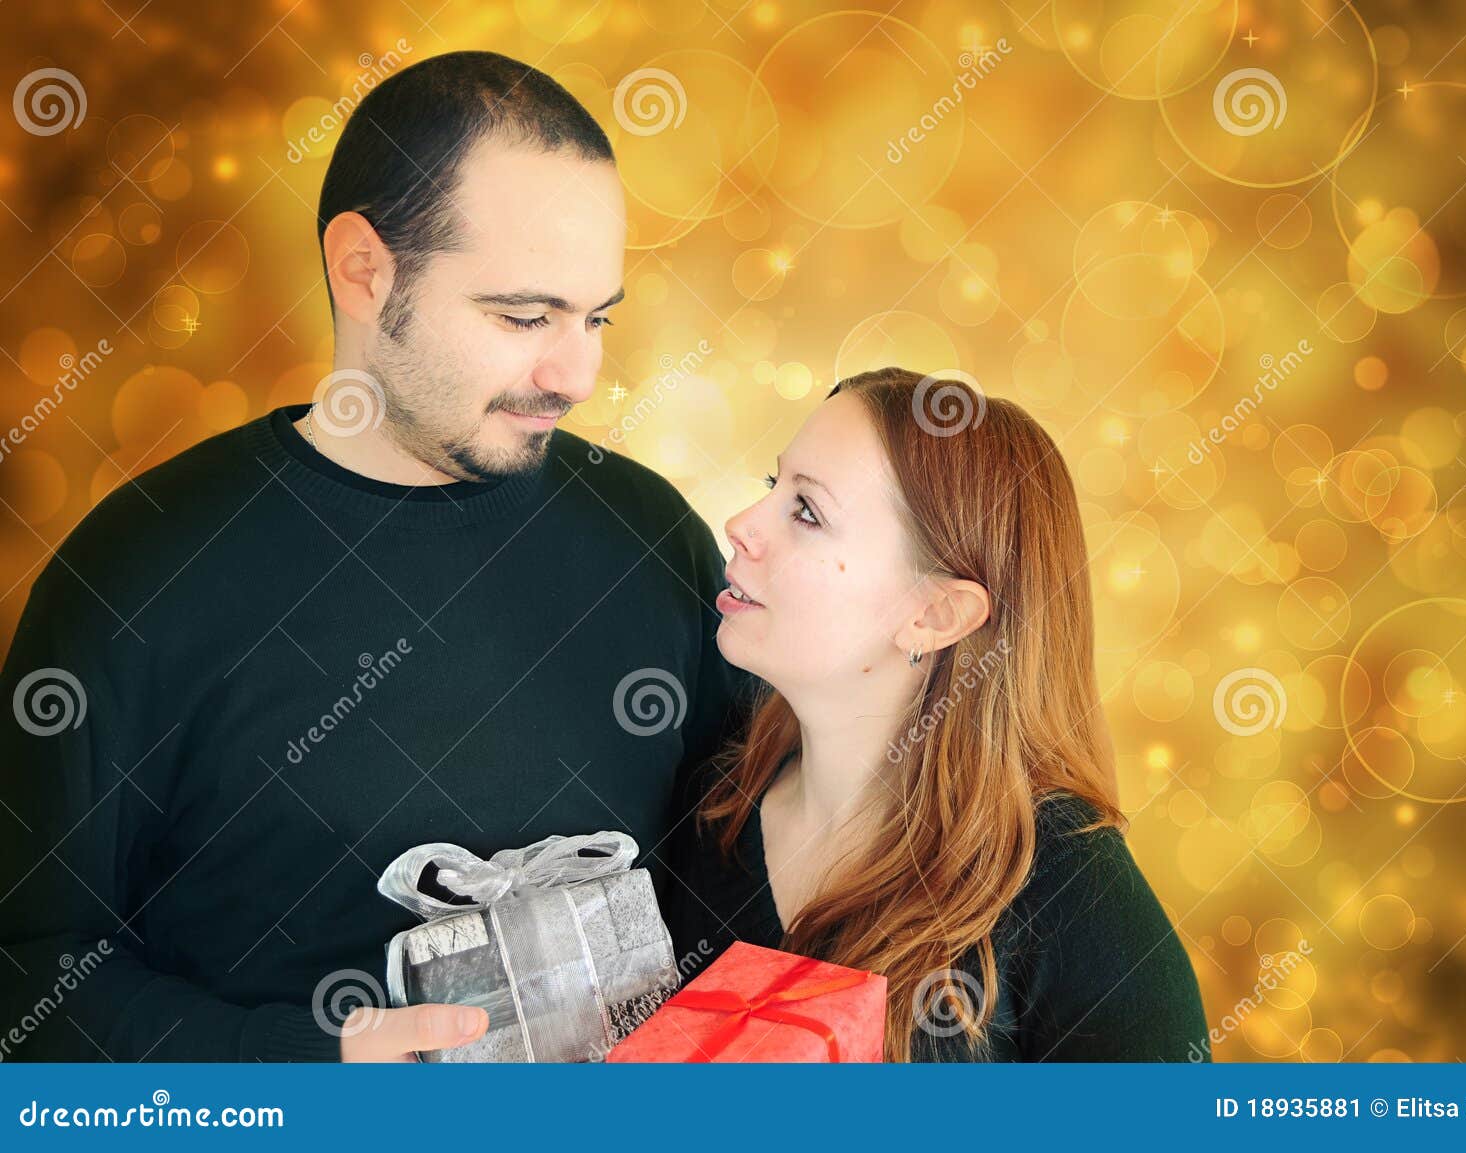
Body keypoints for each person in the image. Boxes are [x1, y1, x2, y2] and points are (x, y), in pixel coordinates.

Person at [0, 51, 750, 1062]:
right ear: (365, 270)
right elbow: (26, 973)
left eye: (596, 317)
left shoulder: (649, 533)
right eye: (523, 316)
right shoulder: (141, 573)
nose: (577, 372)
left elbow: (750, 878)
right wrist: (319, 1074)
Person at [667, 368, 1208, 1061]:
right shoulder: (714, 801)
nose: (740, 526)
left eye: (806, 511)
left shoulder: (1063, 880)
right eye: (775, 487)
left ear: (934, 613)